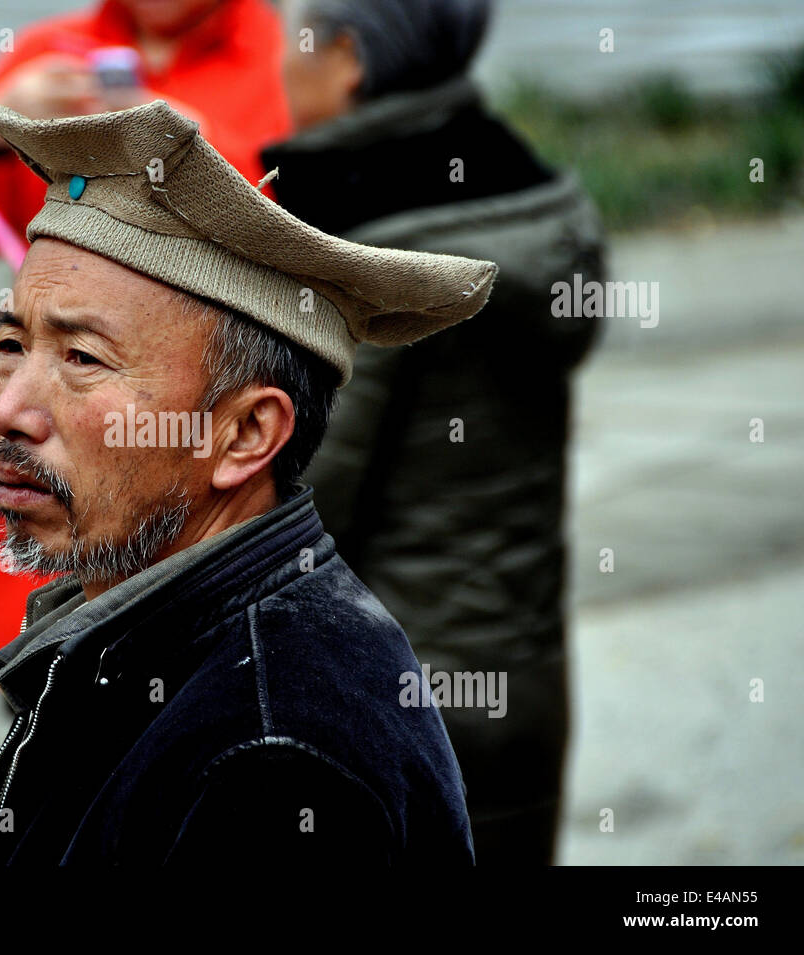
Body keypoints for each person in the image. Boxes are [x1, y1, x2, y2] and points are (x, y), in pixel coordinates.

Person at [0, 87, 498, 865]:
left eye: (81, 358)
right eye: (11, 344)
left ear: (243, 434)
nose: (9, 405)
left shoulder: (273, 767)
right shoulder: (129, 643)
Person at [262, 0, 606, 864]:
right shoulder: (531, 199)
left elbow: (291, 513)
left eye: (294, 40)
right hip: (522, 683)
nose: (278, 63)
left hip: (375, 696)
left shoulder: (354, 246)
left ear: (346, 58)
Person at [0, 0, 297, 689]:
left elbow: (327, 249)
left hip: (202, 443)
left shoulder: (288, 59)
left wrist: (195, 145)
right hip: (60, 438)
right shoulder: (49, 53)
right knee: (42, 706)